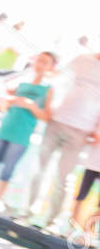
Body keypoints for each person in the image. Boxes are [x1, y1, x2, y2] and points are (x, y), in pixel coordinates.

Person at [0, 51, 58, 213]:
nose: (40, 64)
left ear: (51, 67)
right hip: (7, 127)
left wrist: (30, 105)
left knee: (9, 168)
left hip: (22, 134)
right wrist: (9, 102)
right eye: (39, 60)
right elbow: (4, 104)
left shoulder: (48, 89)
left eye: (45, 62)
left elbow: (47, 116)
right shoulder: (21, 83)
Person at [27, 47, 100, 232]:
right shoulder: (82, 59)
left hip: (81, 132)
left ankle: (50, 220)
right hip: (56, 122)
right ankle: (28, 212)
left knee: (62, 178)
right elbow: (57, 79)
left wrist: (97, 128)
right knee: (38, 169)